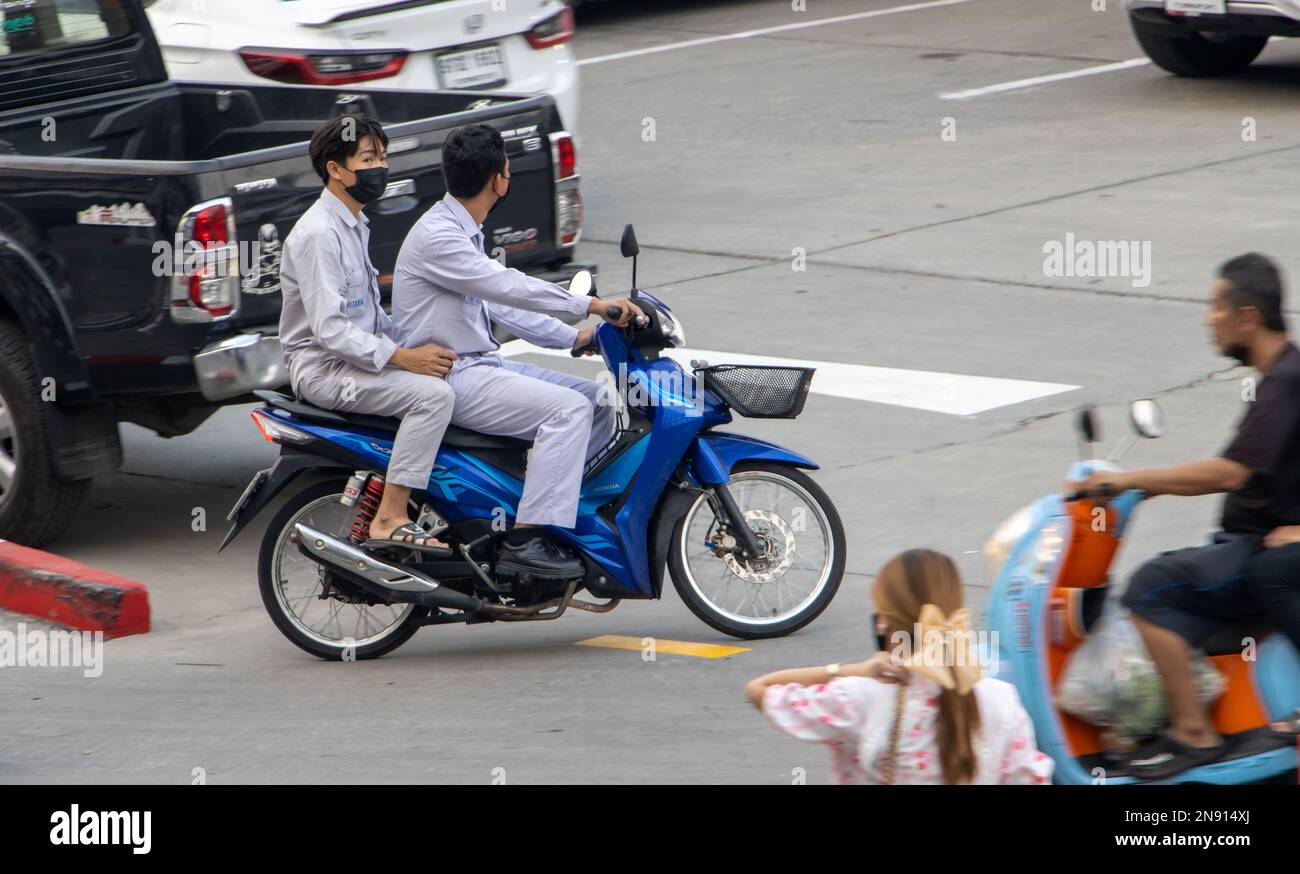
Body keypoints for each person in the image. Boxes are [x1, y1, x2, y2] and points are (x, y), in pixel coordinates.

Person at [1079, 252, 1300, 777]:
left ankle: (1193, 733)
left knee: (1150, 587)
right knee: (1182, 596)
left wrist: (1134, 481)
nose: (1208, 318)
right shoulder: (1280, 378)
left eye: (1216, 307)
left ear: (1247, 316)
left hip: (1258, 546)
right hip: (1251, 540)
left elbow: (1228, 472)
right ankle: (1196, 722)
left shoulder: (1287, 382)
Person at [391, 123, 643, 580]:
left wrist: (576, 336)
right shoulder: (439, 237)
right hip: (452, 376)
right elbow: (508, 286)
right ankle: (527, 540)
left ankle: (555, 512)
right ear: (498, 180)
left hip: (480, 366)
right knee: (567, 412)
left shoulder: (462, 229)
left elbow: (500, 305)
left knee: (601, 403)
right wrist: (590, 305)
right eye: (507, 166)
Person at [279, 114, 458, 550]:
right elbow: (331, 330)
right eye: (368, 158)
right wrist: (404, 358)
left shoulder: (353, 223)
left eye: (383, 157)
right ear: (335, 169)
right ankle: (390, 517)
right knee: (434, 397)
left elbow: (373, 318)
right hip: (325, 369)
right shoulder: (319, 234)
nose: (380, 167)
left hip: (355, 360)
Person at [745, 549, 1053, 785]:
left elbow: (760, 690)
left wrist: (848, 670)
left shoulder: (859, 696)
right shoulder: (1002, 700)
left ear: (883, 622)